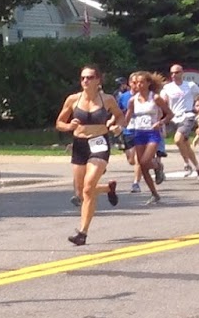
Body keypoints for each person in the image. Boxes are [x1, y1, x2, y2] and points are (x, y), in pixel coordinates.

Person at [55, 65, 123, 246]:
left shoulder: (107, 99)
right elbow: (59, 122)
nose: (86, 80)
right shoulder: (73, 100)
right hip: (79, 144)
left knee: (87, 187)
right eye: (83, 77)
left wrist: (117, 126)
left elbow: (119, 116)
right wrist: (69, 126)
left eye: (90, 77)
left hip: (99, 143)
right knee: (80, 192)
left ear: (98, 80)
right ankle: (108, 188)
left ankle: (82, 232)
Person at [123, 71, 171, 205]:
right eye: (136, 82)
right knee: (143, 167)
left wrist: (160, 122)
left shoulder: (155, 98)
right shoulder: (132, 100)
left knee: (144, 162)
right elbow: (127, 117)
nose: (138, 85)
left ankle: (157, 165)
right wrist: (119, 126)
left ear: (148, 83)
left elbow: (169, 114)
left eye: (141, 82)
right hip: (139, 133)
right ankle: (154, 194)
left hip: (152, 133)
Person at [161, 64, 199, 180]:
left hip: (187, 115)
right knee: (185, 144)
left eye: (176, 72)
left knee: (177, 139)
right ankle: (198, 167)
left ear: (182, 73)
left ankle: (186, 163)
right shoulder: (167, 88)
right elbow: (162, 102)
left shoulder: (190, 85)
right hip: (174, 118)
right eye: (172, 73)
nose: (174, 75)